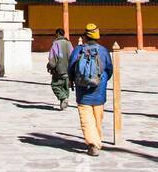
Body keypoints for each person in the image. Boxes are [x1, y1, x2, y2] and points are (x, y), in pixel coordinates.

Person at [67, 23, 114, 157]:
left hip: (82, 90)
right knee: (98, 118)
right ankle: (96, 141)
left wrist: (71, 80)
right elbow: (109, 70)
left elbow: (71, 67)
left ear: (85, 37)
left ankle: (93, 143)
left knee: (86, 119)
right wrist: (103, 80)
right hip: (99, 90)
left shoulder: (78, 50)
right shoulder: (103, 51)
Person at [46, 28, 73, 110]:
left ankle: (63, 98)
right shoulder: (69, 43)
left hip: (59, 71)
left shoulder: (56, 44)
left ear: (57, 34)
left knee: (55, 85)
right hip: (68, 71)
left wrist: (50, 66)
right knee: (65, 87)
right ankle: (64, 101)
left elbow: (52, 58)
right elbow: (73, 56)